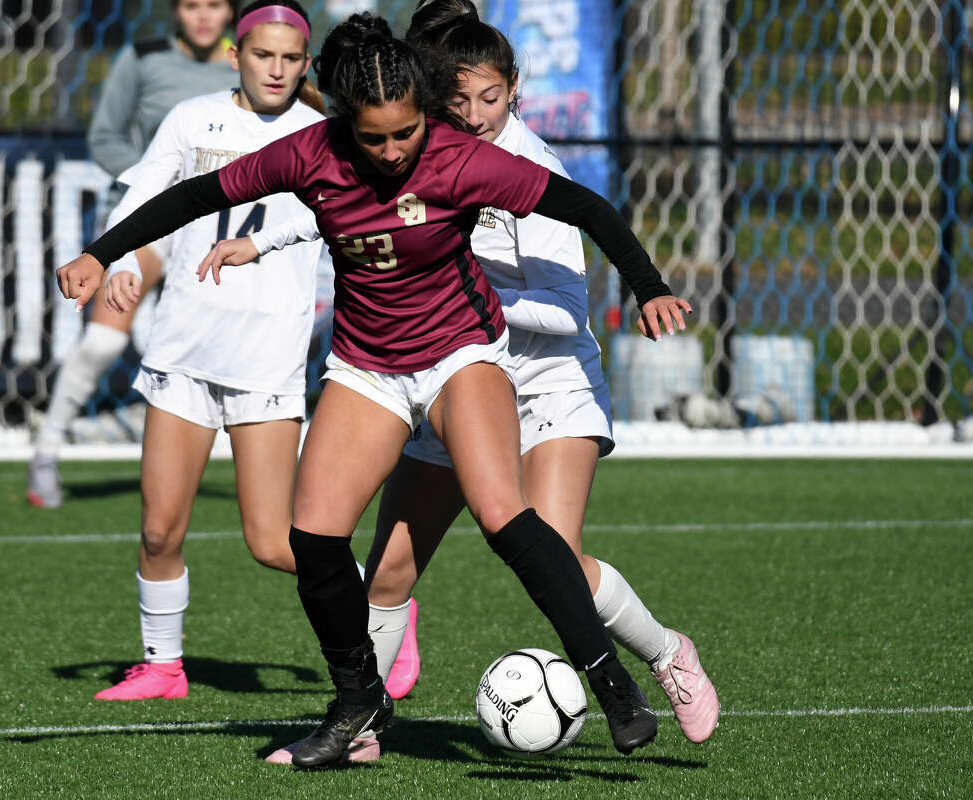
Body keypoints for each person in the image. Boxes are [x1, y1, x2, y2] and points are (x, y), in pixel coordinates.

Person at [57, 13, 689, 768]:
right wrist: (101, 252)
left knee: (502, 516)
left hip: (461, 353)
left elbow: (585, 208)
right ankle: (358, 700)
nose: (393, 151)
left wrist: (647, 286)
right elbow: (192, 197)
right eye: (375, 138)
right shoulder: (309, 152)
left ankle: (611, 682)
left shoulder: (461, 160)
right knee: (313, 535)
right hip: (368, 366)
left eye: (406, 134)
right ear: (341, 122)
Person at [239, 0, 719, 759]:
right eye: (453, 100)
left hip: (545, 379)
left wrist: (460, 284)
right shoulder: (422, 153)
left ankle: (663, 654)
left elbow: (567, 307)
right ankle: (364, 723)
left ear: (514, 90)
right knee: (390, 566)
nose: (470, 113)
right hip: (448, 372)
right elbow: (352, 212)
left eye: (486, 98)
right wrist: (264, 243)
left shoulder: (525, 170)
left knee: (553, 550)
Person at [84, 0, 331, 702]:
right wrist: (119, 259)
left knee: (275, 543)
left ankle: (385, 603)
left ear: (305, 63)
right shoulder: (192, 120)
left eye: (290, 58)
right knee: (159, 530)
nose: (277, 69)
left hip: (265, 359)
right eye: (263, 56)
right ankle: (162, 666)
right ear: (235, 56)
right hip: (183, 352)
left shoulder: (325, 137)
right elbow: (143, 191)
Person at [26, 0, 242, 509]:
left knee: (226, 341)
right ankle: (46, 452)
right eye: (192, 5)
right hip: (147, 219)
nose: (204, 16)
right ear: (175, 11)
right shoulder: (144, 59)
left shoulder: (248, 61)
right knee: (103, 341)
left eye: (215, 5)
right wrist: (154, 181)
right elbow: (104, 136)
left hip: (219, 224)